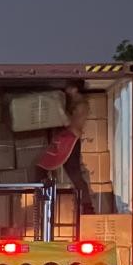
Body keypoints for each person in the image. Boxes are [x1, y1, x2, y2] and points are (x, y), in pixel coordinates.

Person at [34, 84, 96, 213]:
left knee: (72, 173)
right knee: (44, 168)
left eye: (69, 87)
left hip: (70, 139)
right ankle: (44, 201)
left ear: (76, 88)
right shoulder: (73, 103)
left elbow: (71, 124)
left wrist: (58, 111)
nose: (66, 90)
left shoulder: (81, 105)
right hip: (65, 138)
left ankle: (87, 207)